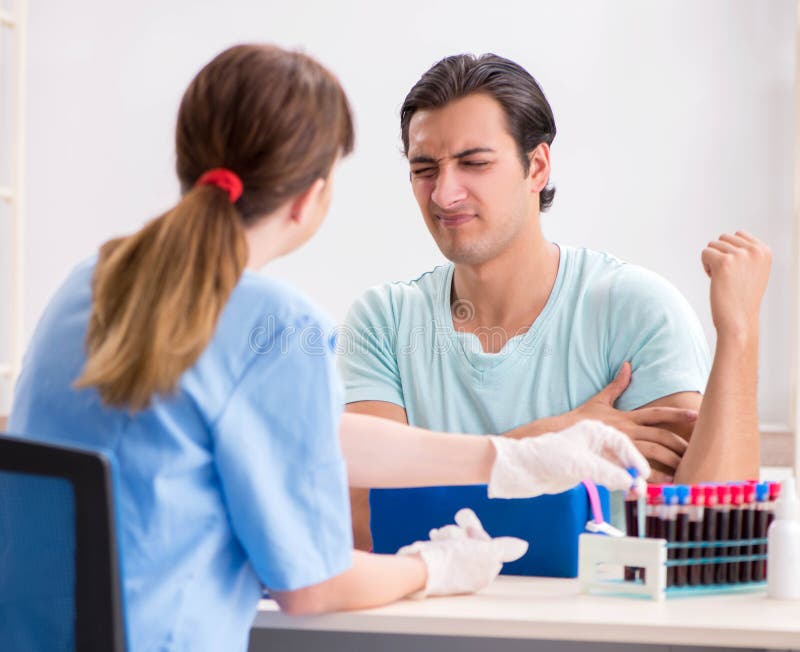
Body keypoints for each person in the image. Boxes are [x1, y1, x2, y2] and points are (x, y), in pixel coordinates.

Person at [3, 45, 649, 652]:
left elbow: (306, 433)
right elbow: (312, 588)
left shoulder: (90, 283)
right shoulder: (278, 325)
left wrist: (512, 458)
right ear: (312, 196)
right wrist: (432, 567)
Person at [340, 53, 772, 559]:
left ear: (537, 166)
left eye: (474, 163)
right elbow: (364, 523)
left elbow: (705, 532)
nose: (444, 192)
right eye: (424, 168)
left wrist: (739, 333)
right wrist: (553, 439)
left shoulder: (636, 309)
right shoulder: (384, 321)